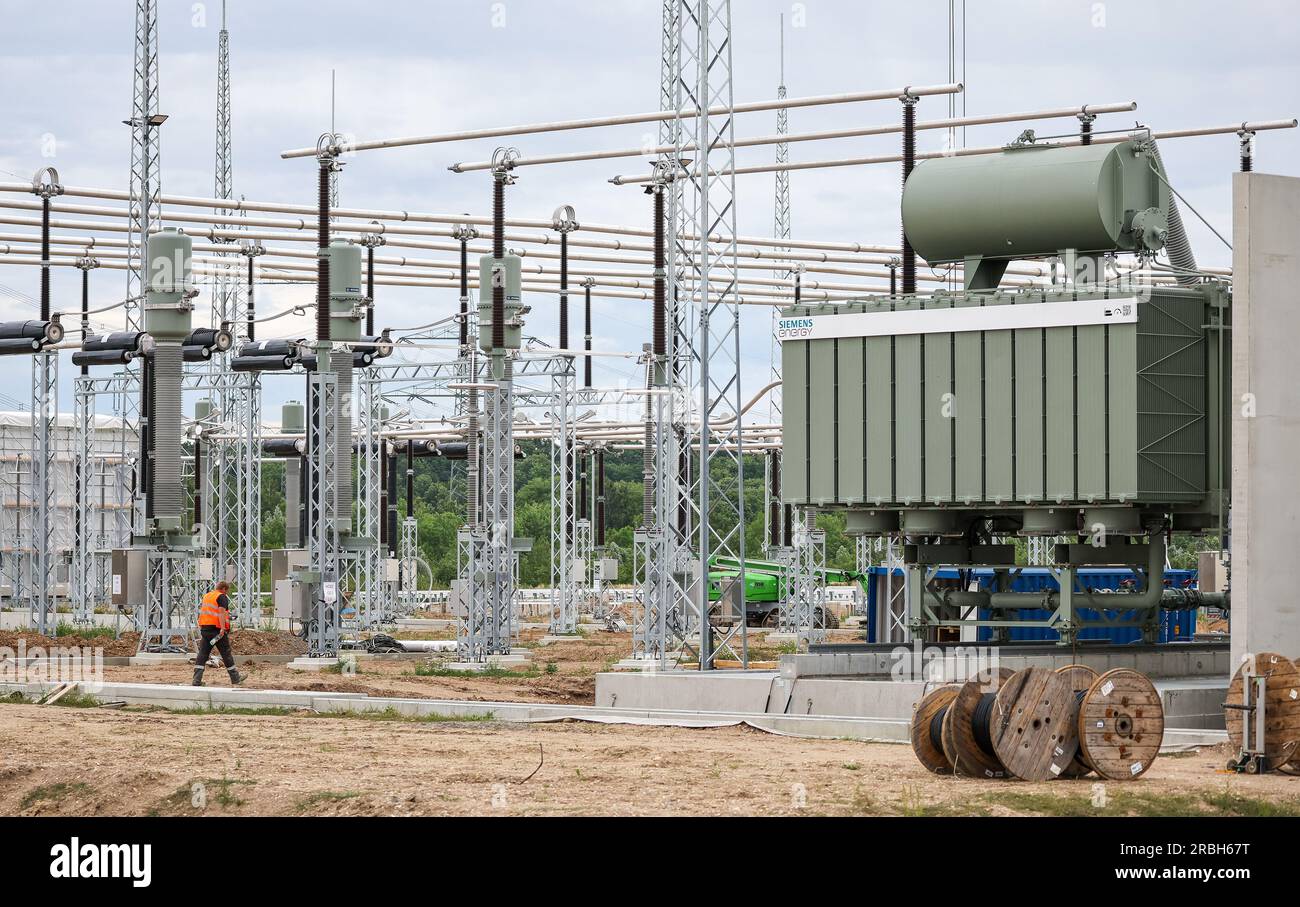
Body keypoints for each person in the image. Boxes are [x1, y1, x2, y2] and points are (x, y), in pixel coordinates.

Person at [194, 581, 244, 687]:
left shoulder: (207, 596)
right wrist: (222, 629)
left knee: (203, 654)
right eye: (227, 591)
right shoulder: (221, 597)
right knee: (226, 653)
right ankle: (235, 678)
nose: (227, 594)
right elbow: (221, 613)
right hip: (216, 630)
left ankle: (196, 680)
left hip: (205, 629)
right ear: (224, 589)